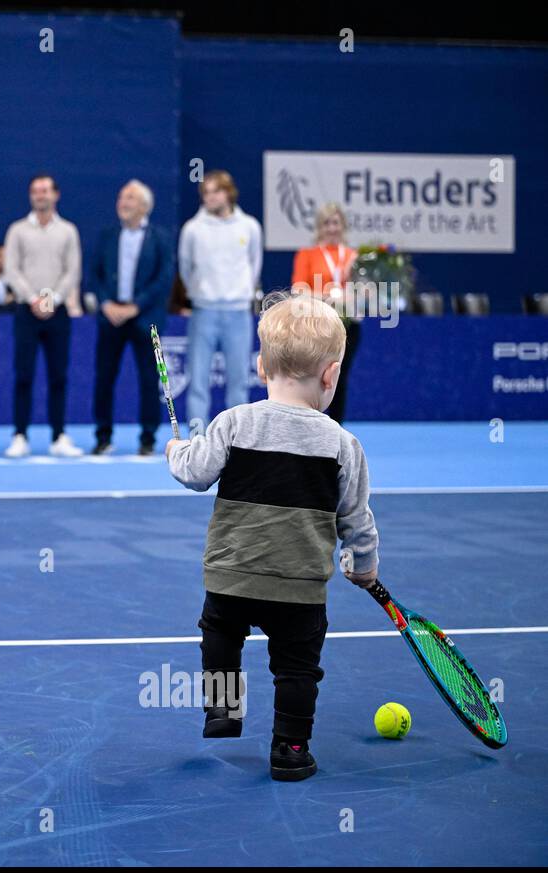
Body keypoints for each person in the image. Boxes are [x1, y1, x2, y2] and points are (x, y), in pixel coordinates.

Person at [165, 291, 379, 782]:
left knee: (220, 636)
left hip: (232, 577)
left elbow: (195, 472)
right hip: (299, 588)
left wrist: (175, 451)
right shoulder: (343, 445)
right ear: (331, 376)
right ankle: (291, 748)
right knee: (298, 669)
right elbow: (357, 520)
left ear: (262, 367)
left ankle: (222, 709)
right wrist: (363, 565)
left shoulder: (233, 423)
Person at [90, 179, 174, 456]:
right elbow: (94, 274)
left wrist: (136, 306)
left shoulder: (160, 237)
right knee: (104, 378)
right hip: (111, 317)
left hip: (145, 318)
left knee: (149, 379)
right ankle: (102, 437)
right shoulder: (107, 235)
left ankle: (147, 438)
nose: (123, 203)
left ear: (144, 206)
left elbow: (164, 279)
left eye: (130, 198)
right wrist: (105, 303)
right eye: (121, 198)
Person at [2, 174, 83, 458]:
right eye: (35, 191)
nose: (40, 195)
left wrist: (52, 299)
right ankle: (20, 435)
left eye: (45, 190)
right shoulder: (17, 230)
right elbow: (11, 269)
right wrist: (34, 299)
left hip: (57, 312)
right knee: (24, 375)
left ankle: (59, 435)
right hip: (27, 311)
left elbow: (72, 271)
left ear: (55, 195)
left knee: (57, 376)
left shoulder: (68, 231)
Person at [177, 170, 262, 431]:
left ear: (229, 193)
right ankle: (196, 438)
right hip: (204, 312)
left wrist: (240, 292)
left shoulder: (249, 226)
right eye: (205, 193)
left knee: (238, 382)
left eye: (216, 191)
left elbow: (254, 264)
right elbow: (185, 268)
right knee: (198, 379)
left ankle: (237, 439)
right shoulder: (192, 229)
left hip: (238, 313)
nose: (210, 197)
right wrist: (202, 293)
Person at [292, 202, 359, 423]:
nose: (332, 228)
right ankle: (313, 425)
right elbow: (298, 289)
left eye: (336, 223)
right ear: (320, 227)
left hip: (348, 325)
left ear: (343, 226)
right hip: (318, 325)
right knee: (315, 377)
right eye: (327, 223)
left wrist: (356, 294)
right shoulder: (307, 254)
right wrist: (327, 296)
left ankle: (336, 429)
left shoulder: (353, 256)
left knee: (338, 378)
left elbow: (365, 291)